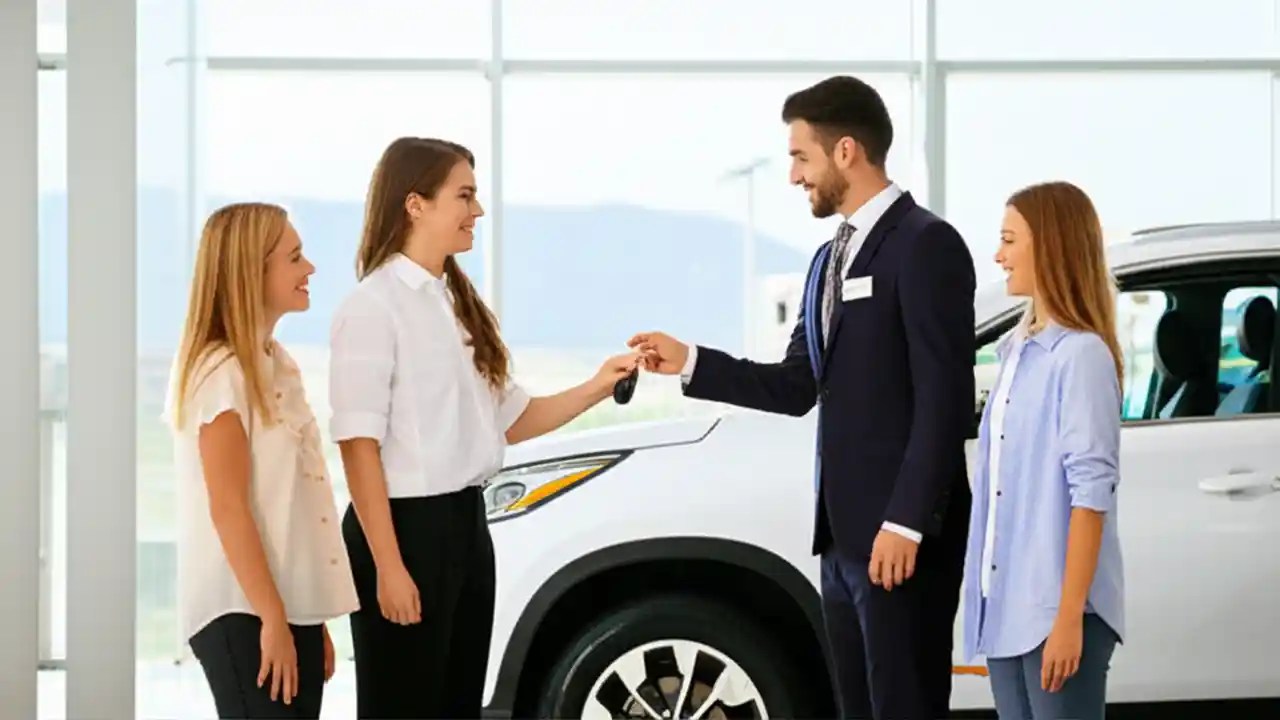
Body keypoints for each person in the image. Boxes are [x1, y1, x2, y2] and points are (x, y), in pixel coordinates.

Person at [630, 75, 975, 720]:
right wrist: (691, 362)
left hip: (901, 537)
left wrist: (906, 521)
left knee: (908, 705)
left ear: (846, 151)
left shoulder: (926, 245)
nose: (793, 176)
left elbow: (944, 400)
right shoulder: (826, 260)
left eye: (800, 156)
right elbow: (794, 386)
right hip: (841, 544)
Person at [328, 136, 642, 718]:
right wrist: (390, 567)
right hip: (403, 530)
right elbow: (357, 446)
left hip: (466, 526)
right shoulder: (373, 307)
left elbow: (512, 420)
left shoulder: (455, 305)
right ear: (415, 204)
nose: (477, 211)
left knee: (456, 706)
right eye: (465, 195)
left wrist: (599, 384)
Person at [165, 202, 360, 719]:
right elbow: (228, 508)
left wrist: (309, 617)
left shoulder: (278, 364)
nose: (310, 269)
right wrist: (274, 617)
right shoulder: (220, 374)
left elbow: (290, 503)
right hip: (241, 609)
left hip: (282, 605)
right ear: (253, 273)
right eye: (295, 257)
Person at [963, 181, 1124, 720]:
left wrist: (1069, 617)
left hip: (1058, 612)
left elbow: (1090, 494)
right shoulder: (1014, 353)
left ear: (1049, 247)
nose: (998, 255)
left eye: (1009, 240)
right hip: (1006, 608)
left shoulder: (1080, 357)